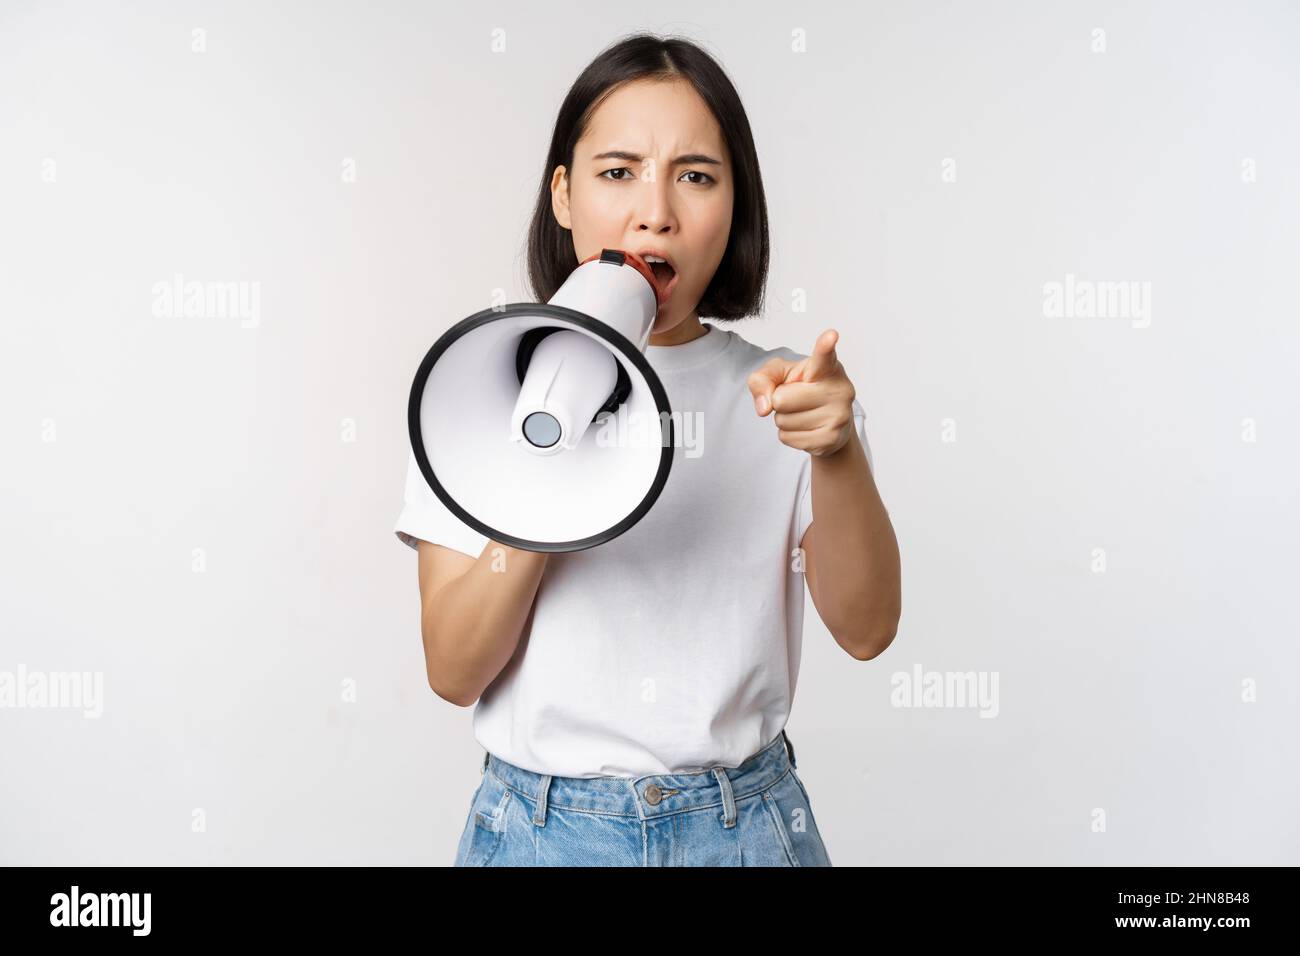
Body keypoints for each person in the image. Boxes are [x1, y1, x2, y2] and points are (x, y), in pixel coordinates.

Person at [394, 33, 901, 866]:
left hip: (741, 829)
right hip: (539, 830)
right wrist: (550, 461)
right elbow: (454, 670)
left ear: (735, 205)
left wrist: (836, 453)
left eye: (696, 176)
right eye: (618, 171)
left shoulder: (786, 394)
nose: (654, 210)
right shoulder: (476, 393)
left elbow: (869, 628)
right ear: (563, 195)